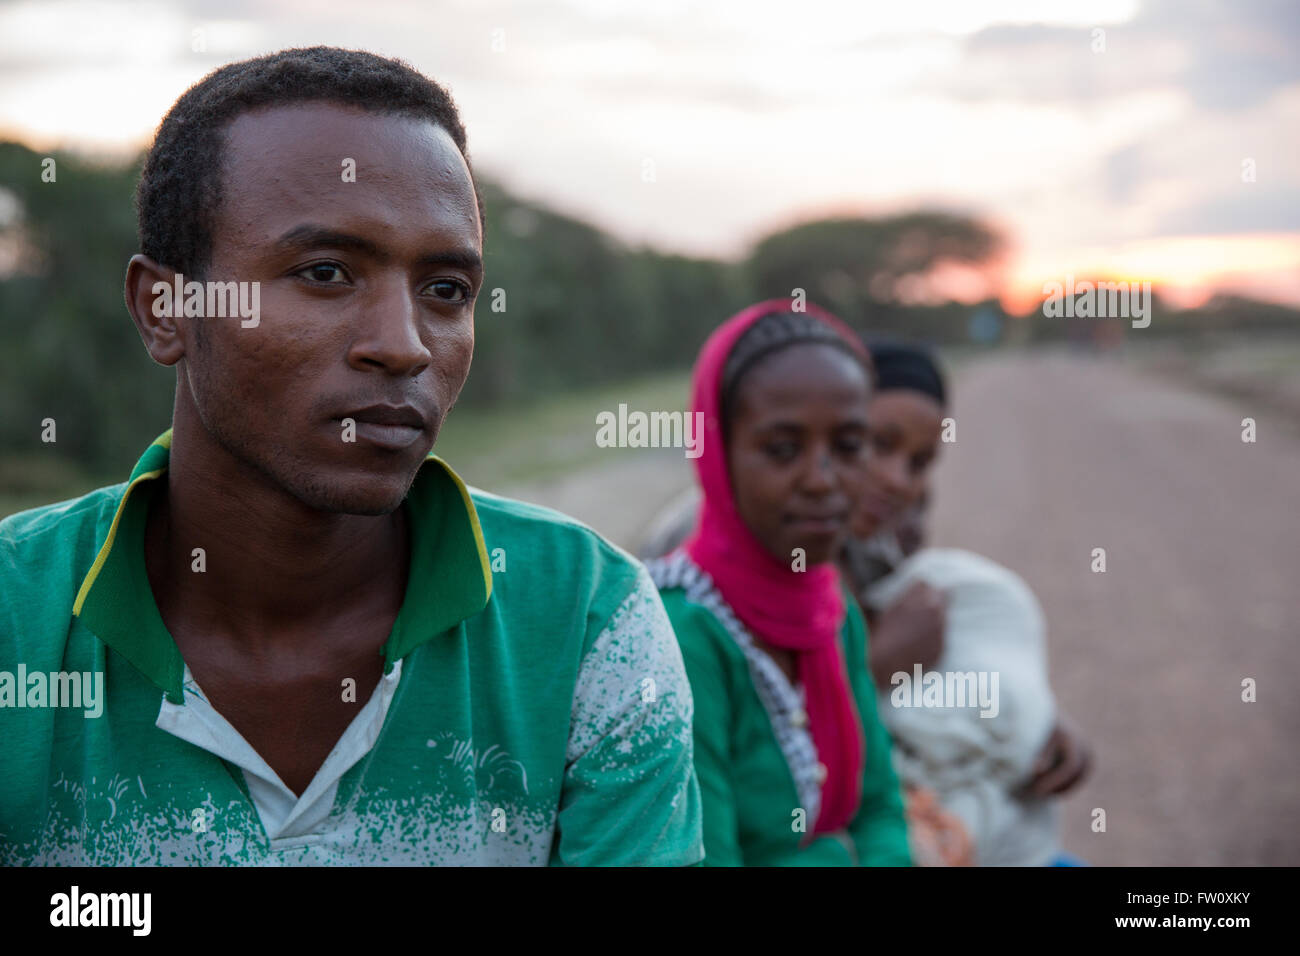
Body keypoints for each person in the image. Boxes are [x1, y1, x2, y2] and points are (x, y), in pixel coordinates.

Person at [0, 47, 702, 866]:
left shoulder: (587, 620)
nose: (403, 346)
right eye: (326, 272)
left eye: (445, 290)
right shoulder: (18, 622)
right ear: (166, 310)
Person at [645, 299, 912, 866]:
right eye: (783, 449)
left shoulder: (829, 606)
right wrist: (841, 856)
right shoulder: (679, 636)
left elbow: (881, 806)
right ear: (718, 453)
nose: (822, 480)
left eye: (848, 446)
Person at [841, 341, 1092, 866]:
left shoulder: (881, 541)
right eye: (877, 444)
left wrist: (1035, 721)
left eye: (919, 462)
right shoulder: (721, 557)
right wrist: (879, 665)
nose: (897, 478)